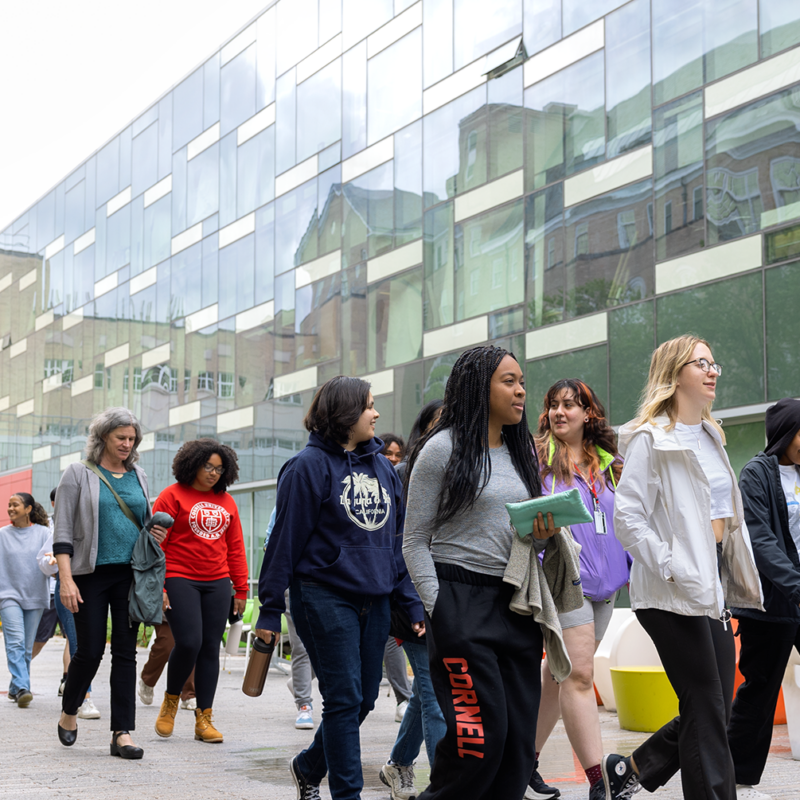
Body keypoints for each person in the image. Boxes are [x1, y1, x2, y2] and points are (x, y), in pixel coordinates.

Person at [403, 345, 570, 800]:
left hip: (515, 602)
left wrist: (539, 533)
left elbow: (517, 537)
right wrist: (440, 608)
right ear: (480, 386)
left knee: (518, 747)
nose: (521, 392)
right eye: (509, 381)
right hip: (460, 600)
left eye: (521, 382)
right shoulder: (441, 449)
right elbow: (414, 540)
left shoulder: (520, 452)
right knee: (478, 742)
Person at [604, 335, 763, 800]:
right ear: (675, 375)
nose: (713, 371)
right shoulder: (651, 439)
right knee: (707, 704)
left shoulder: (712, 435)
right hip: (669, 589)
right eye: (702, 364)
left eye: (715, 364)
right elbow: (627, 517)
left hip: (708, 581)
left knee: (718, 706)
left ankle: (633, 767)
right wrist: (671, 566)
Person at [254, 375, 424, 800]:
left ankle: (308, 766)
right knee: (345, 700)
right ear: (346, 412)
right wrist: (270, 610)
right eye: (369, 405)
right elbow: (283, 543)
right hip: (322, 594)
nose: (377, 413)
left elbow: (396, 544)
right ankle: (347, 795)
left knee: (365, 700)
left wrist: (411, 603)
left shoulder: (385, 469)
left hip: (378, 599)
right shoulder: (305, 468)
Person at [528, 380, 629, 800]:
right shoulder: (536, 460)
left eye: (570, 405)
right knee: (580, 676)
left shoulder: (610, 463)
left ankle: (522, 763)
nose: (559, 412)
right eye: (553, 405)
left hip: (606, 587)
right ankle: (599, 781)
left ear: (589, 413)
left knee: (558, 676)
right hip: (564, 583)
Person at [54, 407, 168, 759]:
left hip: (130, 575)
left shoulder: (139, 475)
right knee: (89, 651)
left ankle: (122, 732)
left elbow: (142, 524)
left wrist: (155, 534)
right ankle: (69, 711)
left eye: (132, 439)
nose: (127, 444)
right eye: (121, 437)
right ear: (103, 436)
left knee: (125, 653)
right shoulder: (78, 473)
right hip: (89, 575)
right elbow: (63, 533)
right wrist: (66, 580)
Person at [728, 398, 800, 800]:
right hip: (770, 602)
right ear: (786, 432)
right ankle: (738, 780)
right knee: (760, 689)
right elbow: (761, 540)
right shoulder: (757, 474)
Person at [153, 438, 247, 744]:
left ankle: (203, 719)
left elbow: (235, 548)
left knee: (210, 648)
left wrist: (241, 588)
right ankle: (170, 702)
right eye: (208, 466)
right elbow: (157, 546)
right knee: (189, 641)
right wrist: (160, 585)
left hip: (218, 581)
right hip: (180, 577)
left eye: (220, 469)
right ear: (193, 464)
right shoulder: (171, 496)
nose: (213, 473)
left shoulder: (227, 502)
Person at [380, 399, 447, 800]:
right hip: (413, 603)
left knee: (427, 692)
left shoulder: (460, 474)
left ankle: (399, 764)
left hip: (452, 598)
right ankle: (445, 785)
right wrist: (412, 602)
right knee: (436, 696)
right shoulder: (401, 475)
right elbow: (399, 546)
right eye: (436, 425)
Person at [264, 506, 317, 731]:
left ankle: (298, 681)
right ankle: (304, 704)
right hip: (296, 585)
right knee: (301, 647)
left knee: (331, 648)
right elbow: (270, 545)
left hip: (331, 586)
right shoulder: (286, 502)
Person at [0, 492, 51, 708]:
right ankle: (23, 687)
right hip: (8, 595)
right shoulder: (2, 534)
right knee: (16, 642)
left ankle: (15, 688)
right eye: (9, 505)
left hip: (35, 595)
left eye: (15, 505)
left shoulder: (43, 533)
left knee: (27, 647)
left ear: (28, 509)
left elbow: (50, 561)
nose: (10, 508)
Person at [138, 621, 197, 709]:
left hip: (192, 609)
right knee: (166, 644)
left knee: (190, 645)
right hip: (166, 611)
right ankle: (148, 679)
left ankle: (189, 693)